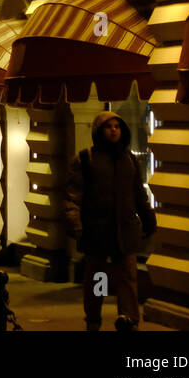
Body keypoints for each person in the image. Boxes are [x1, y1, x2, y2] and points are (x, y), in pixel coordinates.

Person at [64, 112, 157, 331]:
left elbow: (138, 195)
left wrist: (148, 219)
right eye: (108, 127)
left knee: (128, 278)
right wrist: (75, 224)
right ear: (99, 131)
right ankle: (94, 320)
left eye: (117, 126)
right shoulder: (86, 159)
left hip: (124, 230)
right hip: (97, 229)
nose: (114, 130)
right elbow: (73, 196)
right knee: (97, 279)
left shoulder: (129, 159)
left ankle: (129, 320)